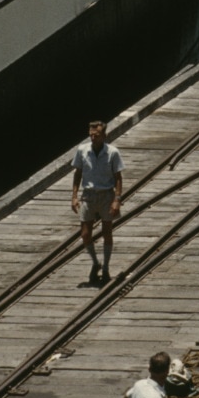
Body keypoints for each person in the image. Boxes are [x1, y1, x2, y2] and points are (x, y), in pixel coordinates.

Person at [71, 120, 124, 285]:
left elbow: (118, 178)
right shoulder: (82, 151)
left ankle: (106, 267)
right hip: (88, 195)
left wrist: (117, 200)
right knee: (85, 234)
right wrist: (74, 196)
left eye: (97, 135)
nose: (93, 138)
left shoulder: (113, 153)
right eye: (91, 135)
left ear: (104, 135)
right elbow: (77, 174)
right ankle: (95, 262)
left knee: (107, 231)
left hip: (106, 195)